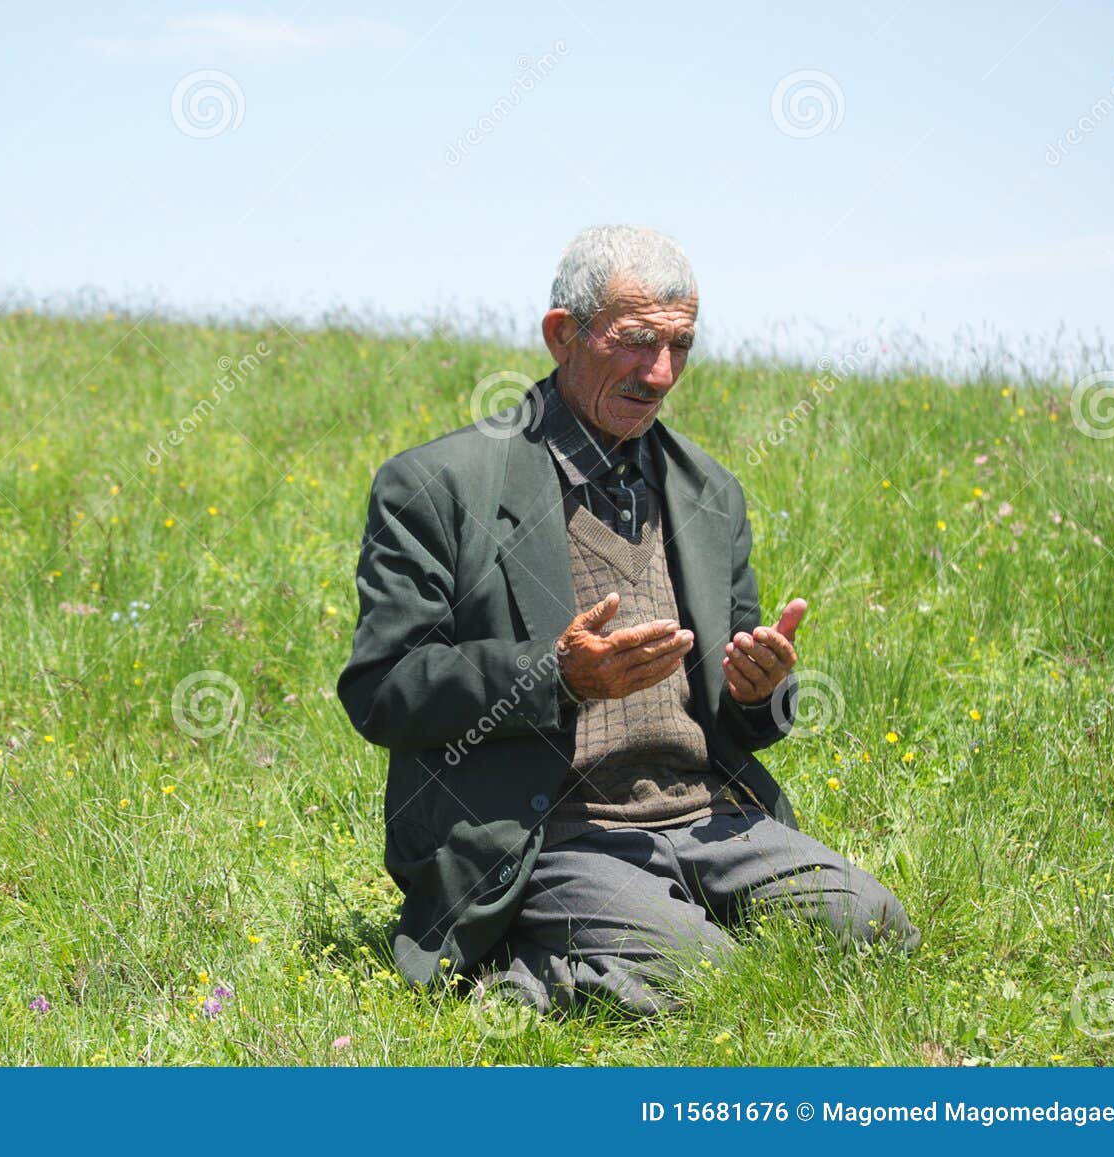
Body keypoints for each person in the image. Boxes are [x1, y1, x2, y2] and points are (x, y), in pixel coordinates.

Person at [337, 224, 918, 1017]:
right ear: (561, 335)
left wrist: (758, 691)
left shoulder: (709, 493)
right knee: (711, 977)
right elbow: (383, 689)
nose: (662, 372)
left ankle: (627, 939)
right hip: (551, 829)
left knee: (876, 931)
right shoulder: (435, 486)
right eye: (638, 341)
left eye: (681, 344)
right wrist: (556, 675)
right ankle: (515, 971)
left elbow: (741, 720)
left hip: (710, 815)